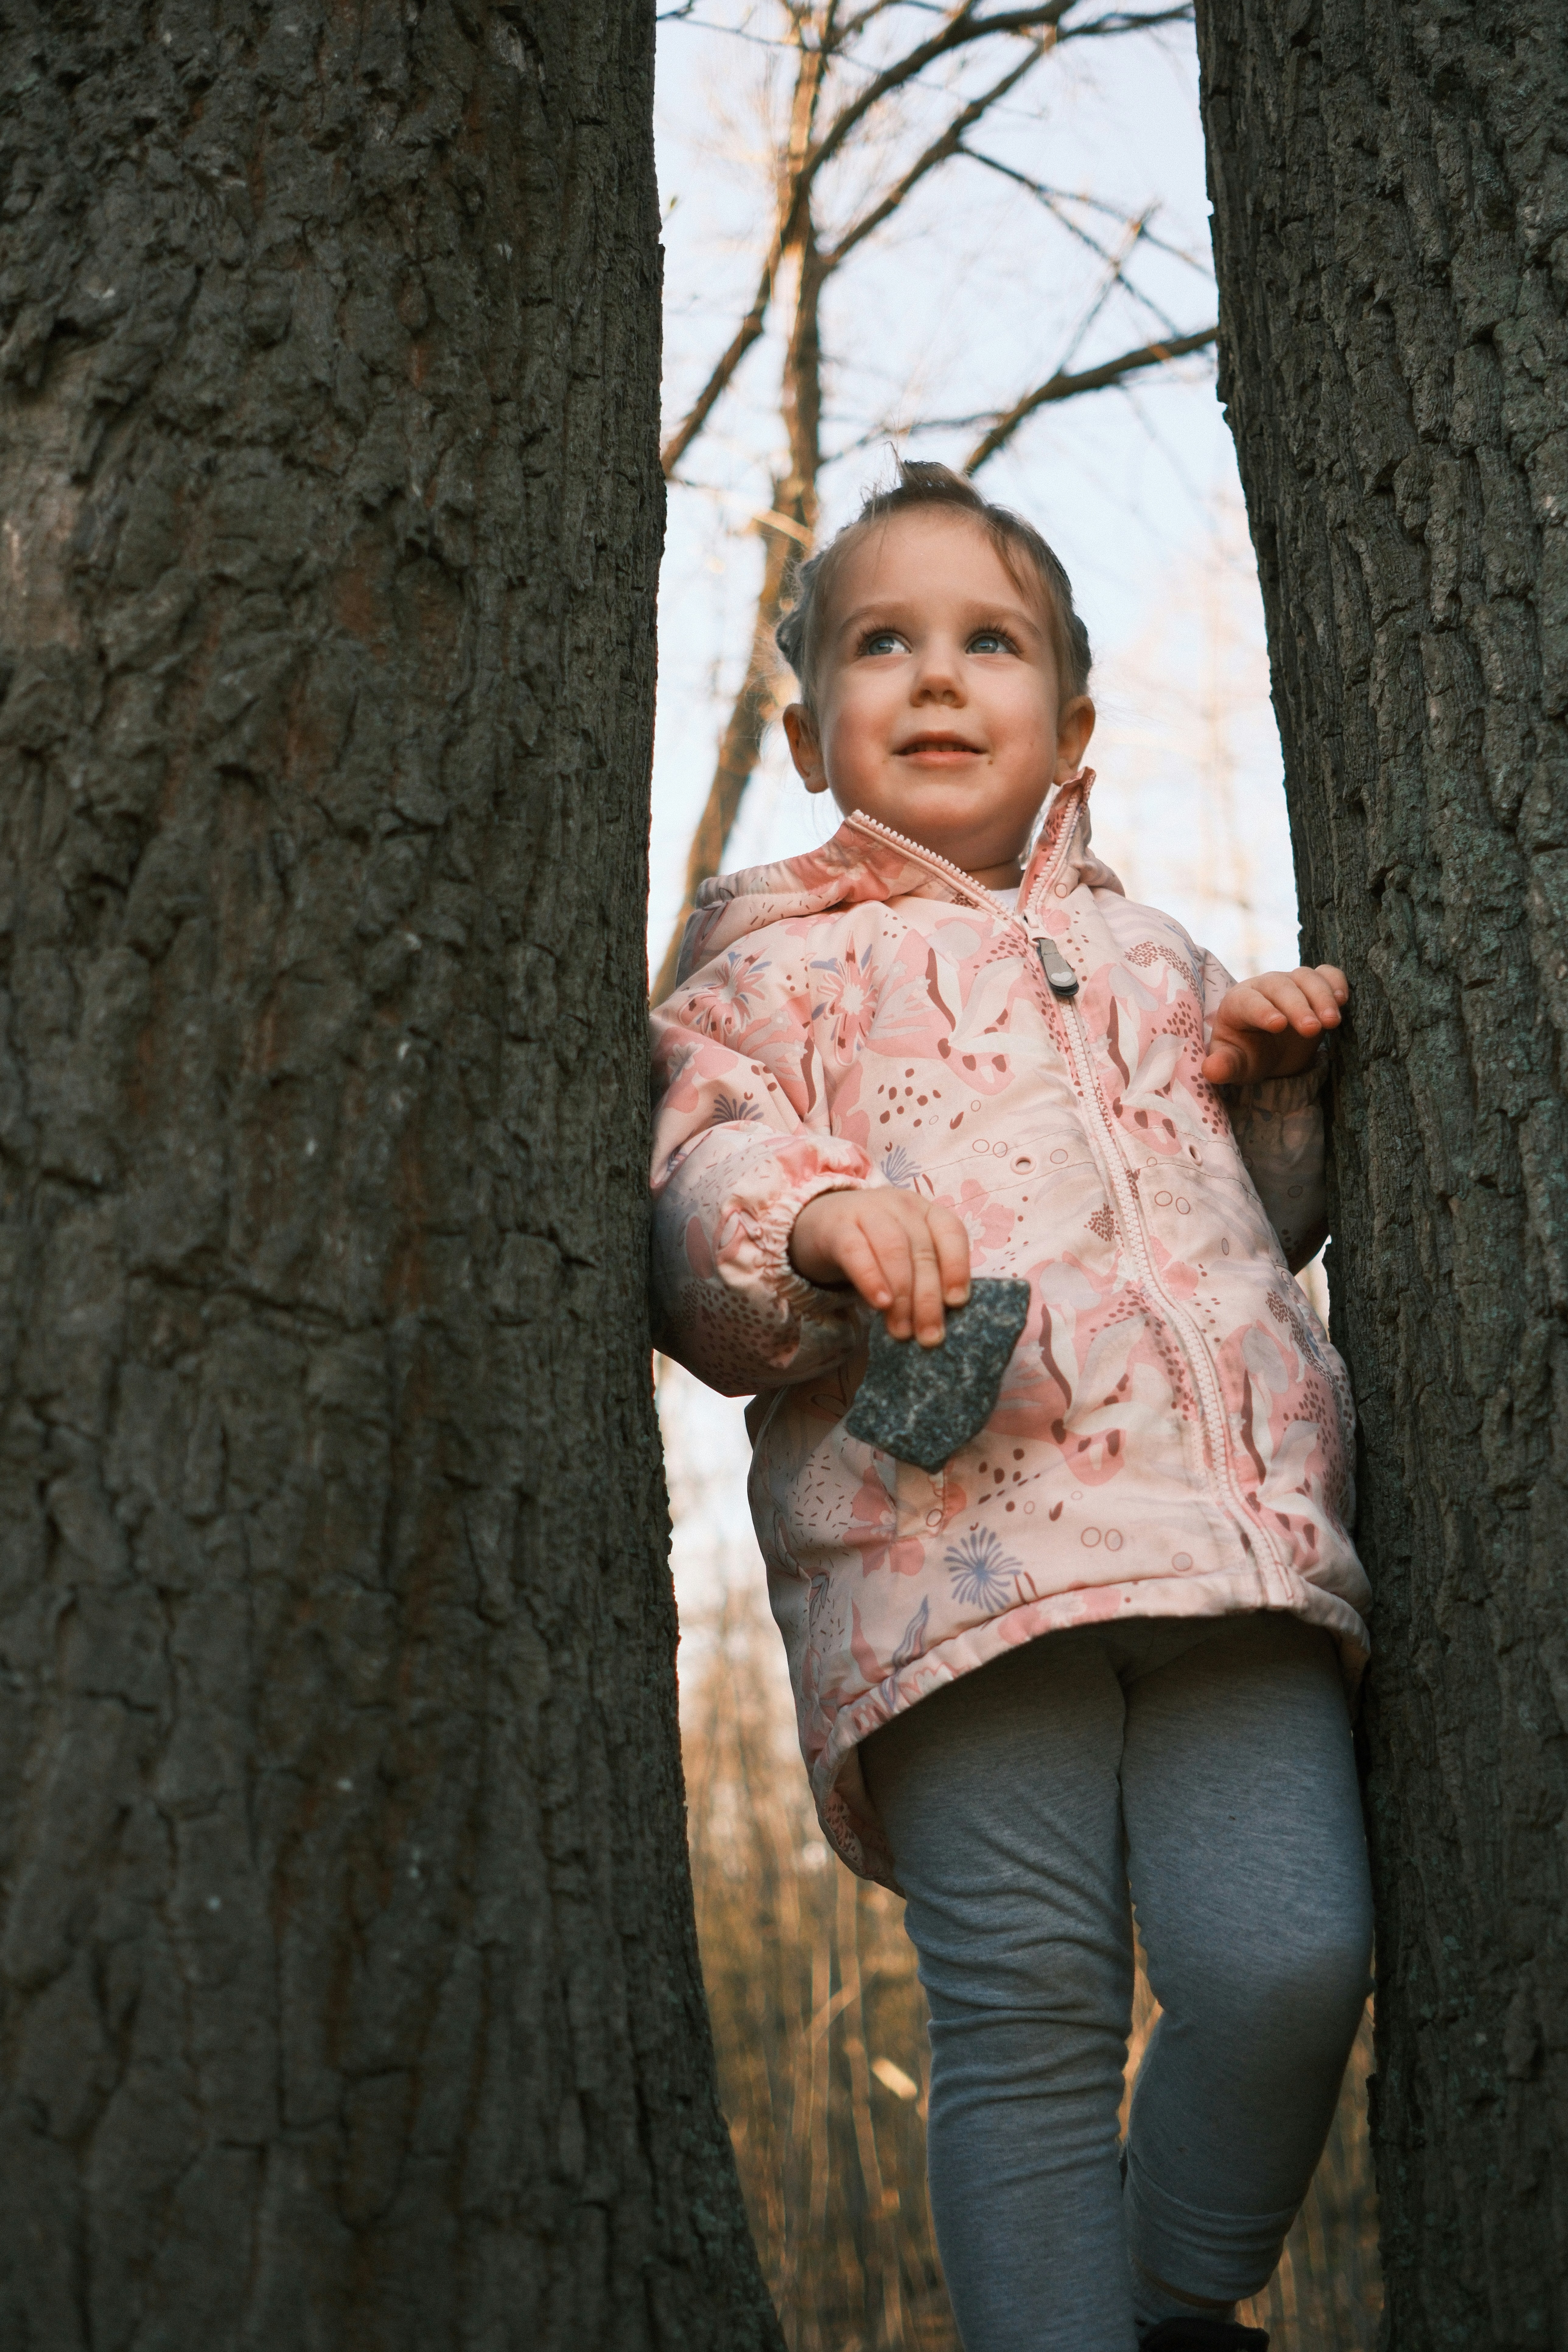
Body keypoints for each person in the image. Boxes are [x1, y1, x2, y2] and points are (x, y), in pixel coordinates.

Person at [649, 460, 1373, 2352]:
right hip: (947, 1576)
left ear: (1073, 723)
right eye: (884, 647)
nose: (942, 679)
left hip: (1225, 1551)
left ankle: (1174, 2301)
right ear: (812, 735)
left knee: (1288, 1955)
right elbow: (699, 1195)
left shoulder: (1151, 959)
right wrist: (817, 1217)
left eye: (992, 643)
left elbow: (1238, 1236)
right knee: (1031, 2015)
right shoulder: (766, 972)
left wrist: (1281, 1097)